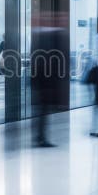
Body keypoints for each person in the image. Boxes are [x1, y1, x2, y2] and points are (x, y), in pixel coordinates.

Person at [31, 12, 68, 147]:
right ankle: (41, 137)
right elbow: (47, 62)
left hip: (43, 81)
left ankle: (40, 136)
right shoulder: (48, 37)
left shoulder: (42, 36)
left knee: (42, 110)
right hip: (44, 81)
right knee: (43, 110)